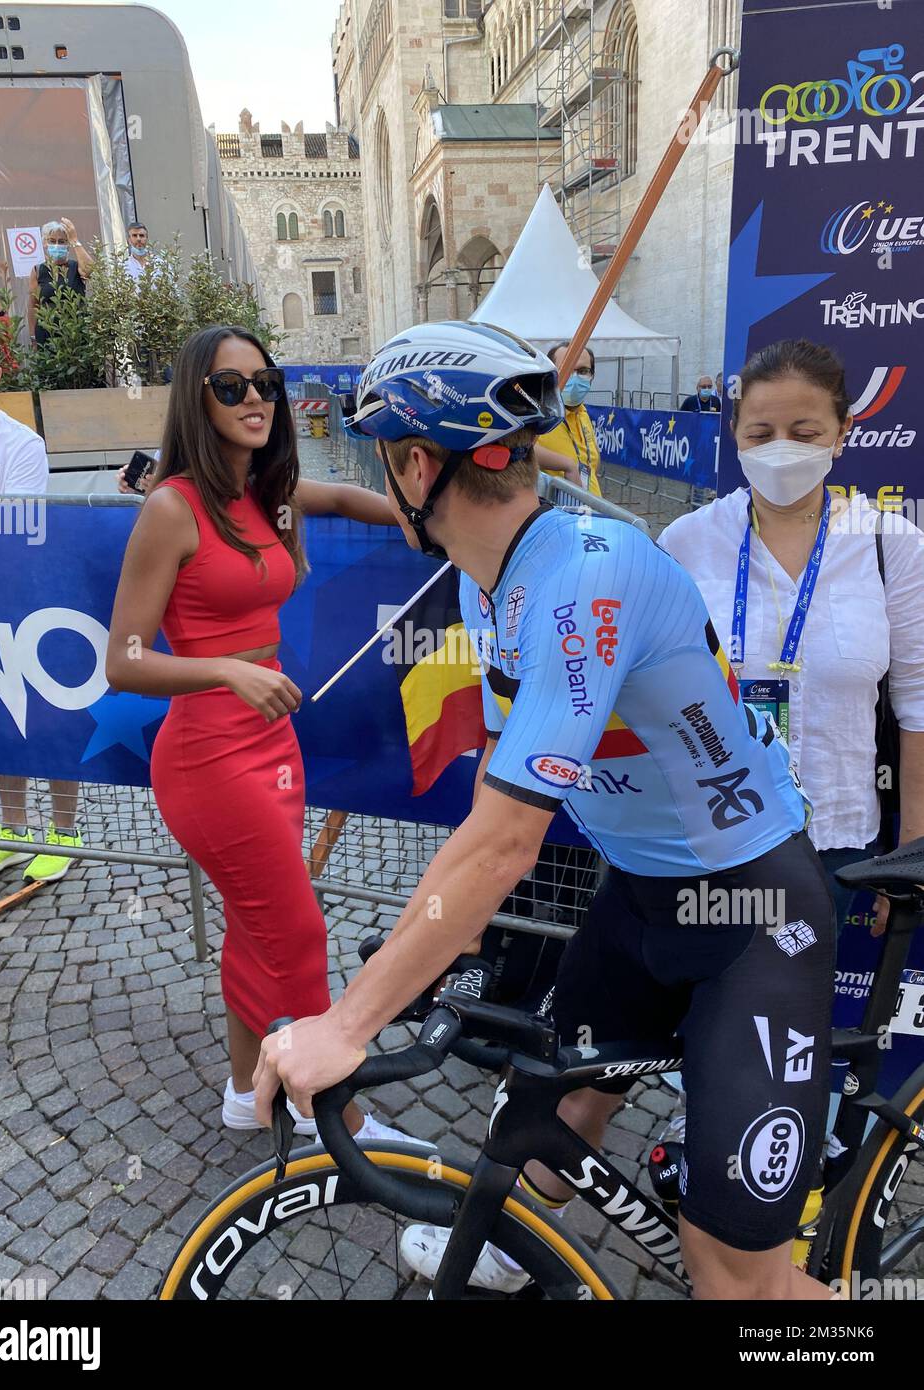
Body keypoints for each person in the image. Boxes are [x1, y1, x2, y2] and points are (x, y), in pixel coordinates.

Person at [253, 319, 838, 1301]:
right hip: (645, 897)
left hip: (750, 913)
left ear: (411, 463)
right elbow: (501, 797)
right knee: (544, 1108)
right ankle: (514, 1244)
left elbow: (506, 842)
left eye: (377, 457)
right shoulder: (499, 583)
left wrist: (347, 1024)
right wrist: (422, 956)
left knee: (732, 1275)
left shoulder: (583, 576)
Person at [104, 323, 428, 1145]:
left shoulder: (270, 491)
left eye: (265, 383)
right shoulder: (172, 507)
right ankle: (336, 1114)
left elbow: (356, 501)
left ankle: (247, 1094)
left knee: (256, 925)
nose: (254, 399)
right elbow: (124, 659)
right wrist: (224, 670)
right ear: (195, 398)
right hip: (209, 756)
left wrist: (440, 511)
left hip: (270, 743)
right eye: (230, 387)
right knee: (297, 930)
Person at [660, 339, 924, 932]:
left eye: (804, 433)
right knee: (704, 1015)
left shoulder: (891, 545)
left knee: (800, 1018)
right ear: (735, 433)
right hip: (705, 838)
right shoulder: (686, 543)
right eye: (761, 433)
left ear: (843, 431)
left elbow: (918, 705)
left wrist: (912, 852)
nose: (781, 450)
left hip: (836, 840)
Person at [0, 326, 83, 880]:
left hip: (20, 600)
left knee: (44, 720)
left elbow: (15, 522)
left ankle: (65, 834)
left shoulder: (21, 443)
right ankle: (8, 831)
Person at [534, 341, 602, 495]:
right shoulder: (538, 410)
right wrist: (567, 464)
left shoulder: (582, 412)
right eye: (567, 369)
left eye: (583, 371)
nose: (575, 377)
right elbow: (519, 448)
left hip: (590, 510)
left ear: (592, 375)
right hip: (557, 511)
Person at [29, 219, 93, 345]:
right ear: (45, 243)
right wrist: (33, 336)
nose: (57, 245)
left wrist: (75, 240)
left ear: (67, 244)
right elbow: (33, 306)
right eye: (52, 241)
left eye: (62, 241)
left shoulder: (76, 267)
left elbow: (89, 270)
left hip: (75, 332)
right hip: (48, 334)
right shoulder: (38, 270)